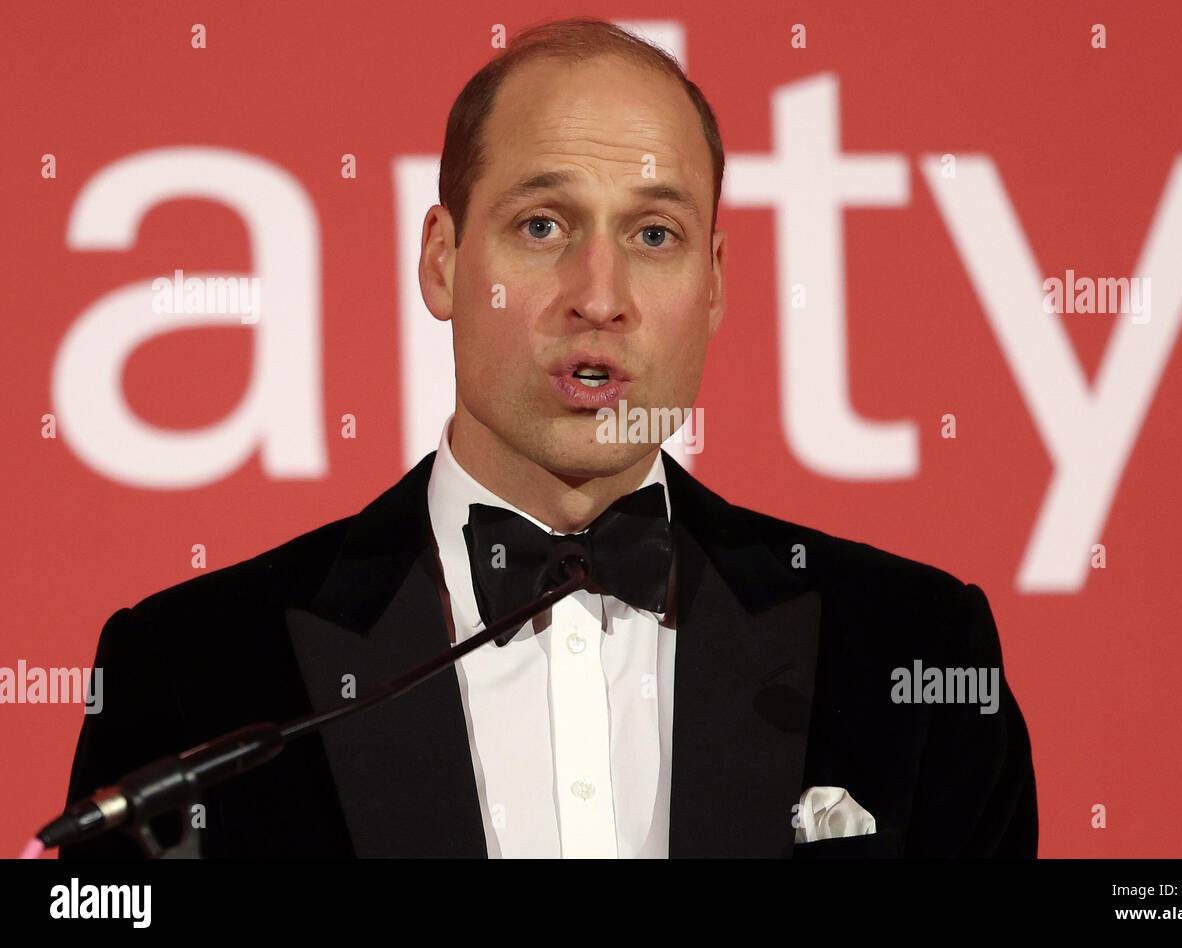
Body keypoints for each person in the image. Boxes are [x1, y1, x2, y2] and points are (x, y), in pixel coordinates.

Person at [61, 16, 1036, 858]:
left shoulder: (915, 652)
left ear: (715, 283)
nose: (599, 299)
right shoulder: (195, 672)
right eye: (541, 226)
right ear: (442, 261)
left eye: (654, 236)